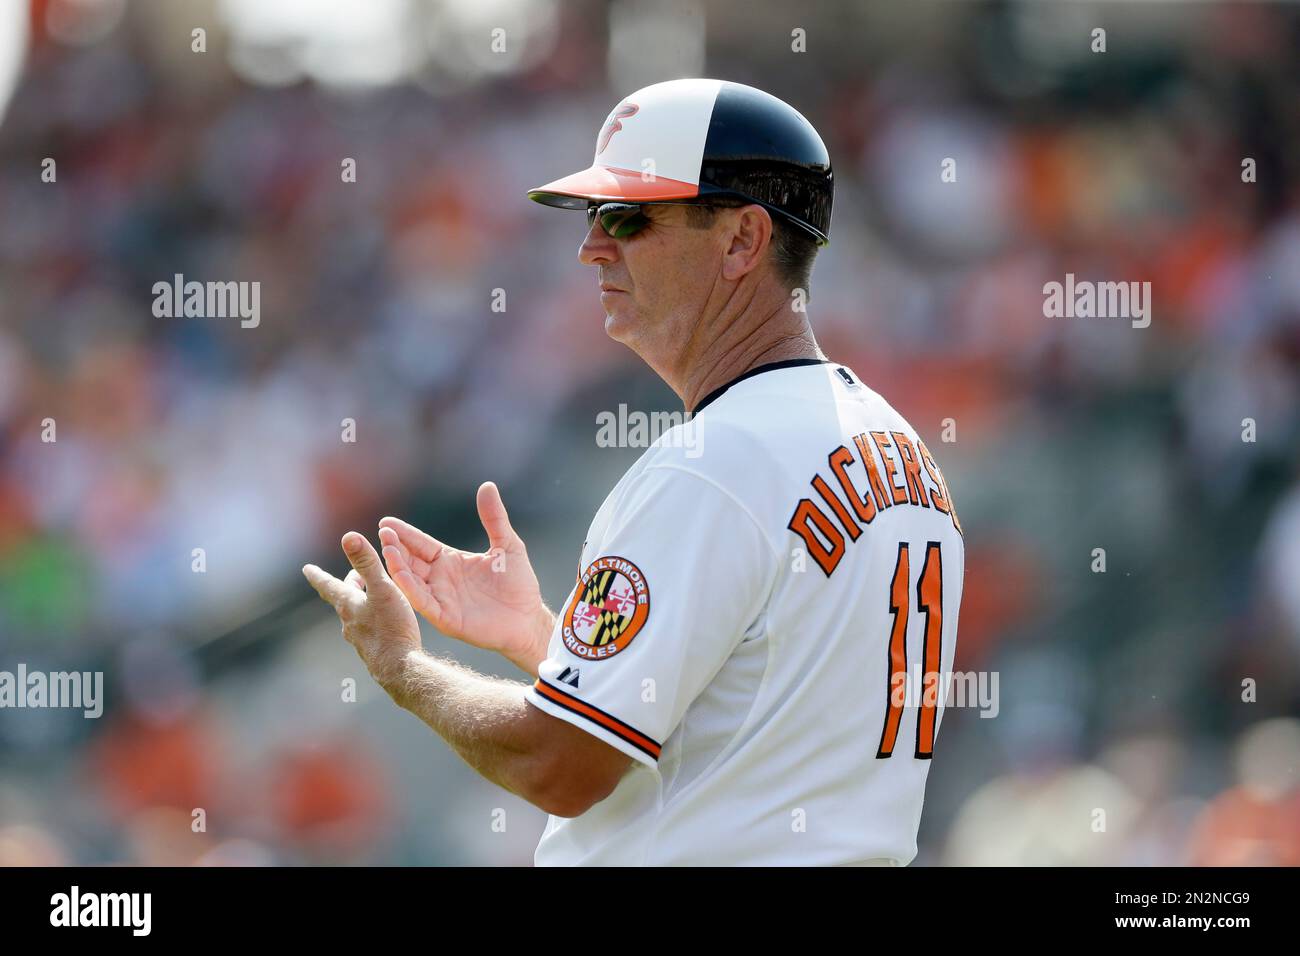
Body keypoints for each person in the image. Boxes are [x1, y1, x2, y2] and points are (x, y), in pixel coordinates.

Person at [304, 78, 965, 865]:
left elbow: (560, 764)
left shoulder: (715, 464)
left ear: (742, 241)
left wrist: (402, 667)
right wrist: (540, 641)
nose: (592, 246)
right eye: (592, 216)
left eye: (628, 216)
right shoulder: (898, 446)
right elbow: (737, 718)